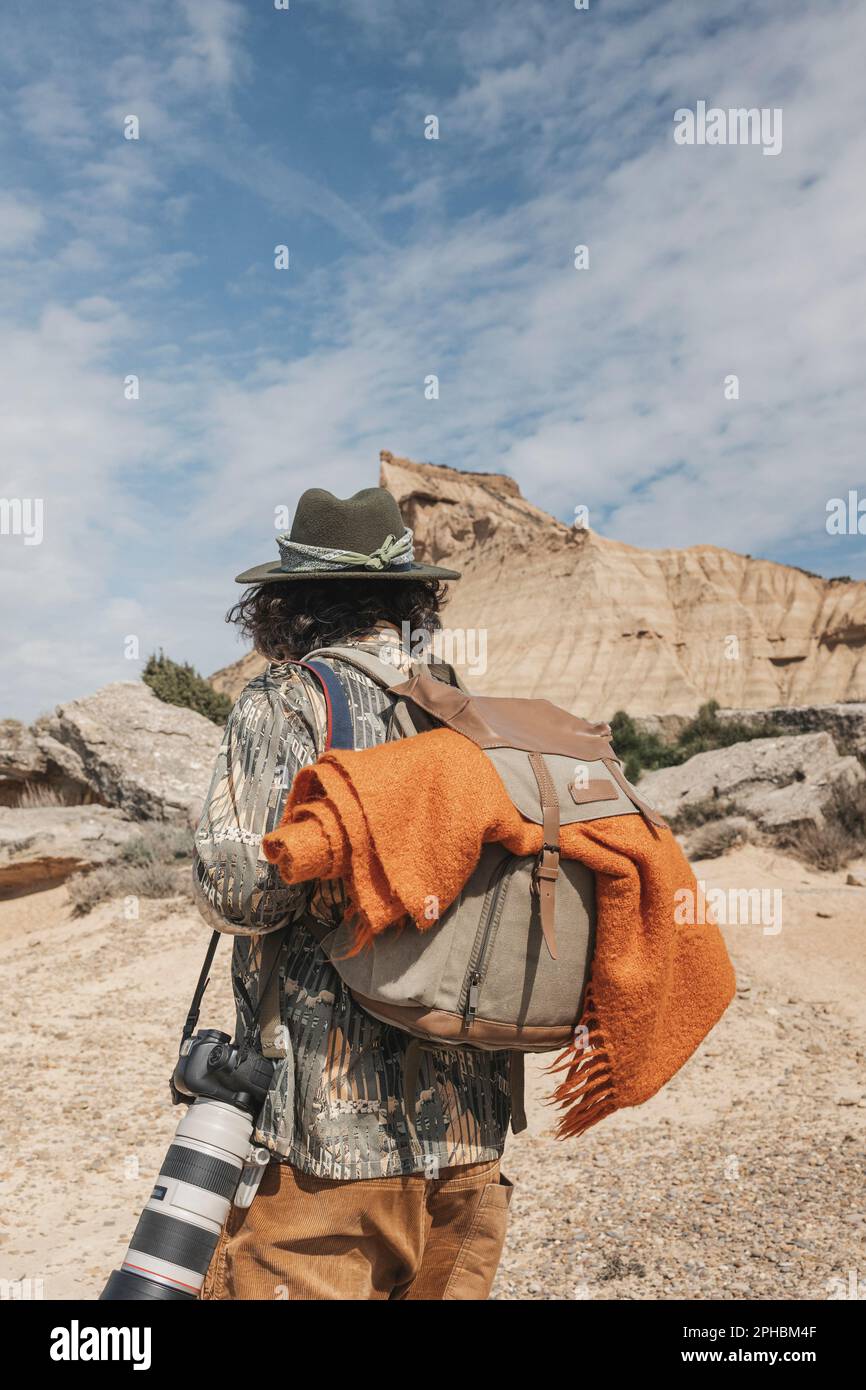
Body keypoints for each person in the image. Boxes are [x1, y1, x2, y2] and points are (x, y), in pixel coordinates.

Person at [193, 485, 514, 1300]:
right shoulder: (464, 713)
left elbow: (241, 892)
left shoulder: (288, 699)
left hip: (327, 1153)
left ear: (285, 605)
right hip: (471, 1145)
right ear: (411, 598)